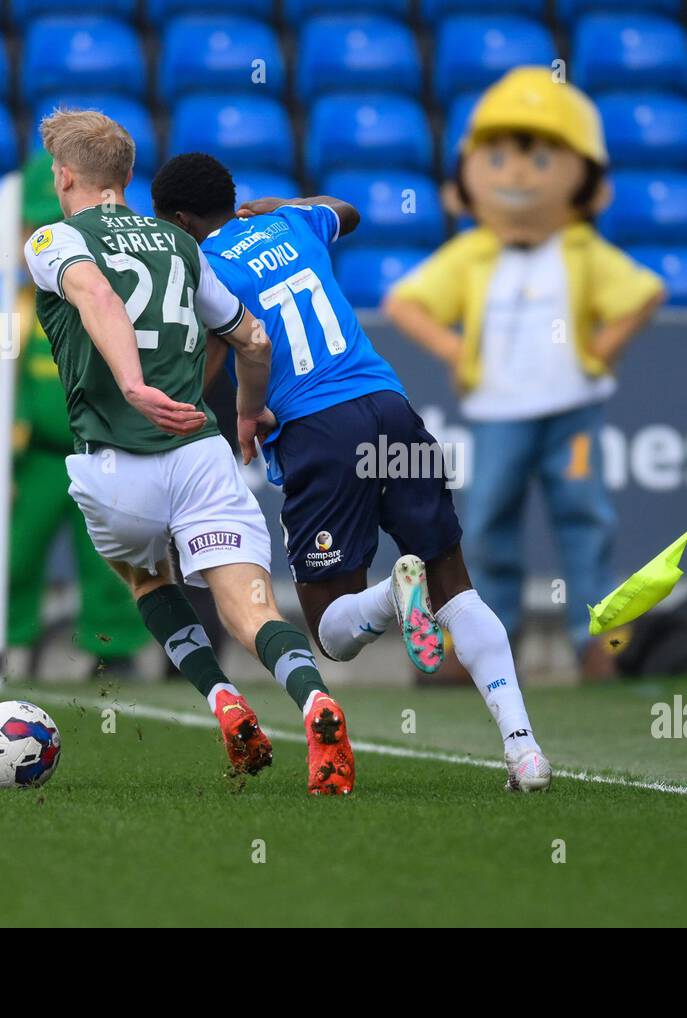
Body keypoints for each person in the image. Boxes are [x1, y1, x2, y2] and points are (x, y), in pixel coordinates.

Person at [150, 152, 552, 791]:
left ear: (178, 220)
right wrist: (280, 208)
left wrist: (199, 415)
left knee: (332, 632)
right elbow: (349, 211)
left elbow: (218, 358)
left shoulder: (201, 266)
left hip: (319, 431)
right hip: (389, 407)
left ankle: (393, 597)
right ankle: (524, 750)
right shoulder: (292, 225)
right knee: (456, 586)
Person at [23, 109, 355, 795]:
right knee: (254, 609)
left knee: (149, 580)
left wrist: (133, 384)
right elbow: (252, 340)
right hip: (200, 454)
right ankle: (318, 703)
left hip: (116, 467)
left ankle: (222, 700)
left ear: (65, 176)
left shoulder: (53, 239)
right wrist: (245, 411)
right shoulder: (180, 247)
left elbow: (92, 291)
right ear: (126, 177)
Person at [383, 67, 665, 681]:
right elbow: (404, 302)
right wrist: (456, 352)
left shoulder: (582, 252)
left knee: (586, 518)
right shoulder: (473, 255)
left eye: (540, 159)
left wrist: (598, 352)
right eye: (500, 156)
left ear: (585, 179)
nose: (514, 173)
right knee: (486, 524)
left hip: (574, 410)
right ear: (466, 175)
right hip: (498, 412)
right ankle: (486, 638)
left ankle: (598, 639)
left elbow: (643, 292)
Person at [0, 151, 149, 677]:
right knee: (12, 554)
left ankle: (114, 651)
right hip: (37, 459)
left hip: (102, 452)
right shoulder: (16, 310)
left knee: (109, 556)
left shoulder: (109, 299)